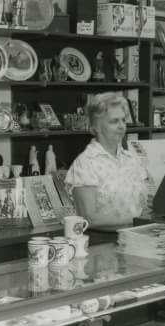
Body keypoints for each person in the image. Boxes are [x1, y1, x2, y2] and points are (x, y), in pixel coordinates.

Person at [64, 92, 149, 230]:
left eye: (123, 120)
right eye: (114, 121)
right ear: (96, 127)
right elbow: (89, 218)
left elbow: (145, 205)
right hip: (100, 244)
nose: (122, 126)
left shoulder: (132, 160)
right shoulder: (85, 164)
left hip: (136, 239)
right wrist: (136, 219)